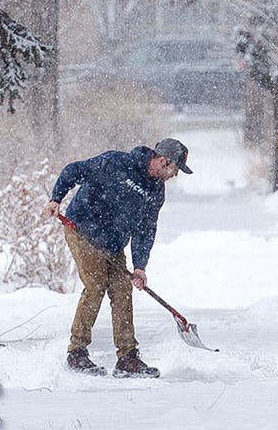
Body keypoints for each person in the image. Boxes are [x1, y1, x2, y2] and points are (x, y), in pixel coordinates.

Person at [46, 137, 190, 377]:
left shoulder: (156, 191)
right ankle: (77, 353)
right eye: (175, 169)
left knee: (123, 290)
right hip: (82, 229)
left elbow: (146, 229)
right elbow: (74, 170)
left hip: (112, 243)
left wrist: (140, 266)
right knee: (95, 285)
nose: (175, 175)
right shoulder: (115, 163)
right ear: (163, 161)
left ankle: (127, 358)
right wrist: (56, 198)